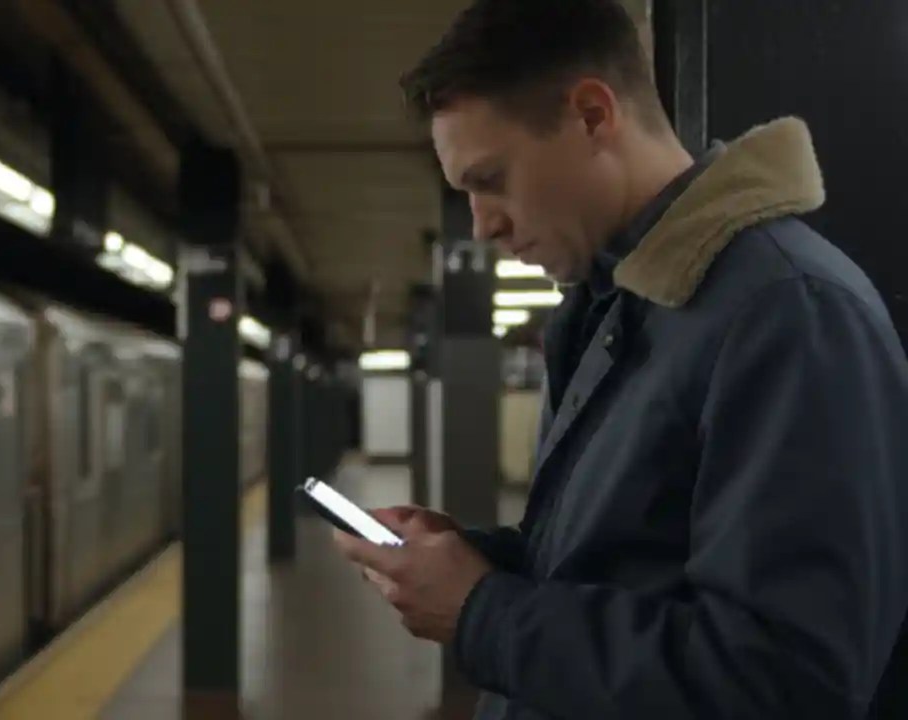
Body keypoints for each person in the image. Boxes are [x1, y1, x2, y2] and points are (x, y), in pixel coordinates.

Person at [331, 1, 908, 718]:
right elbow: (627, 562)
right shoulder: (616, 308)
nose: (484, 226)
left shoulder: (787, 313)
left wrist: (482, 612)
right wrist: (479, 564)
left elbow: (783, 683)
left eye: (490, 179)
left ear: (593, 115)